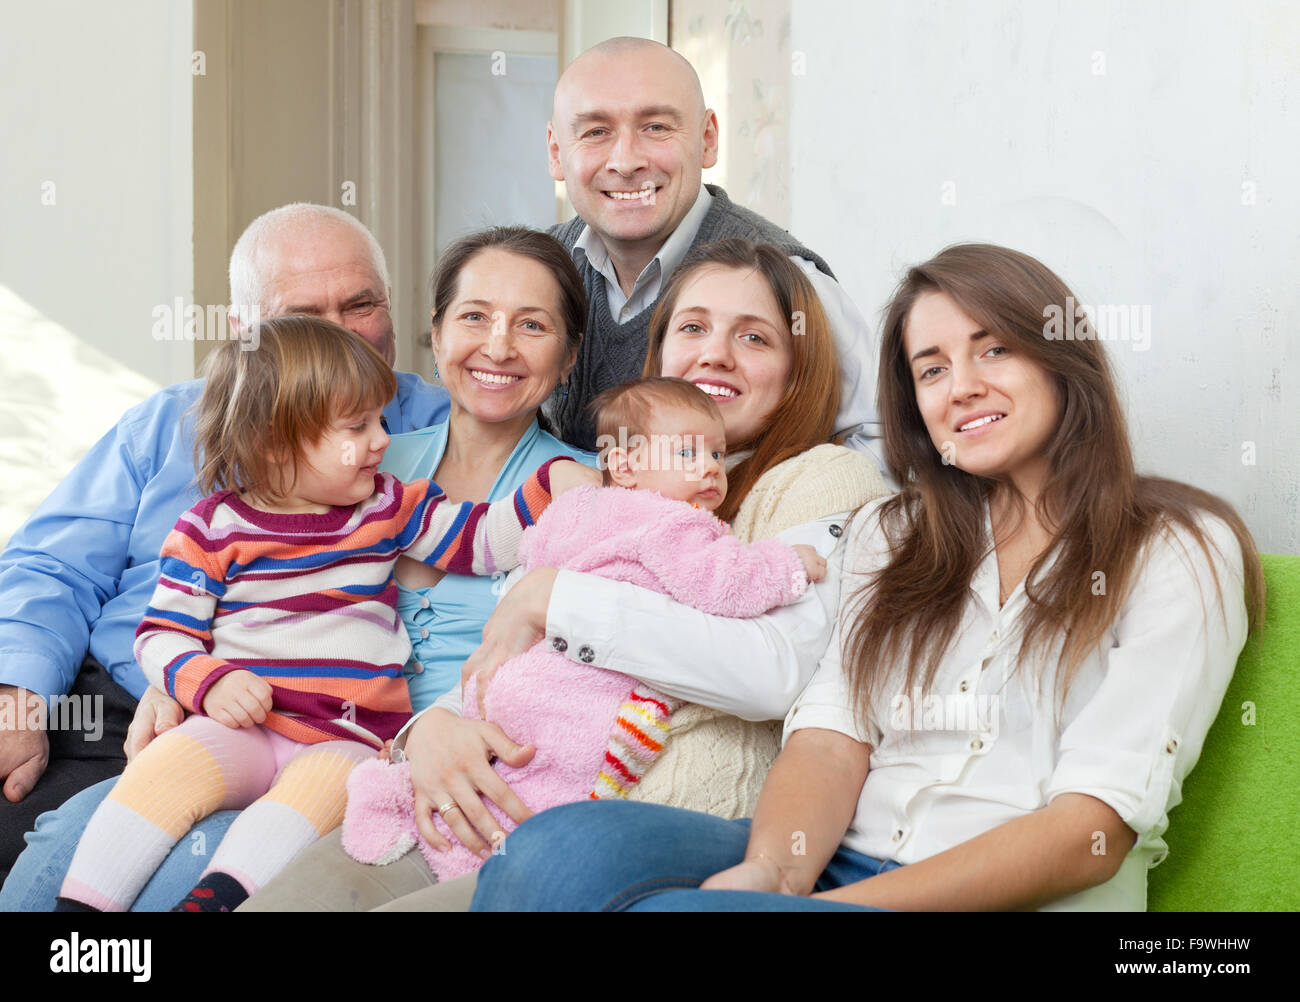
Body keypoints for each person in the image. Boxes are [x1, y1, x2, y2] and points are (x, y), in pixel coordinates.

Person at [469, 242, 1265, 912]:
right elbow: (831, 738)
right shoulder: (895, 533)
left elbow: (1093, 829)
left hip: (999, 894)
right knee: (554, 853)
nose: (963, 387)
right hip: (839, 861)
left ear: (1063, 359)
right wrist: (774, 875)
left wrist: (827, 912)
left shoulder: (1179, 548)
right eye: (931, 369)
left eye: (995, 349)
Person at [239, 238, 889, 911]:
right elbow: (515, 658)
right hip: (486, 784)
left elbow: (771, 673)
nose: (714, 354)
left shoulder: (824, 479)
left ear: (798, 367)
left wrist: (555, 597)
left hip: (617, 821)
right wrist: (428, 732)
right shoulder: (613, 487)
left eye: (753, 337)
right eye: (692, 328)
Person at [0, 226, 596, 910]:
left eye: (360, 304)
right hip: (171, 704)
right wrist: (179, 674)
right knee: (60, 852)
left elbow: (486, 540)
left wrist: (559, 489)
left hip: (350, 742)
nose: (497, 345)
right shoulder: (212, 440)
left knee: (212, 865)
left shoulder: (382, 468)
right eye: (474, 317)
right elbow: (58, 571)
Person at [341, 377, 826, 883]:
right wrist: (787, 564)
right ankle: (465, 859)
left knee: (493, 762)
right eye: (687, 452)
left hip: (516, 676)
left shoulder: (574, 507)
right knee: (544, 785)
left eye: (717, 455)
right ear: (624, 465)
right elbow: (725, 583)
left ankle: (386, 796)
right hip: (578, 694)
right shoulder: (676, 524)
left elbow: (530, 564)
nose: (708, 468)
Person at [543, 37, 883, 471]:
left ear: (707, 140)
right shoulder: (539, 271)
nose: (625, 161)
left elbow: (884, 442)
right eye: (595, 132)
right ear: (556, 152)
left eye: (656, 127)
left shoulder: (787, 276)